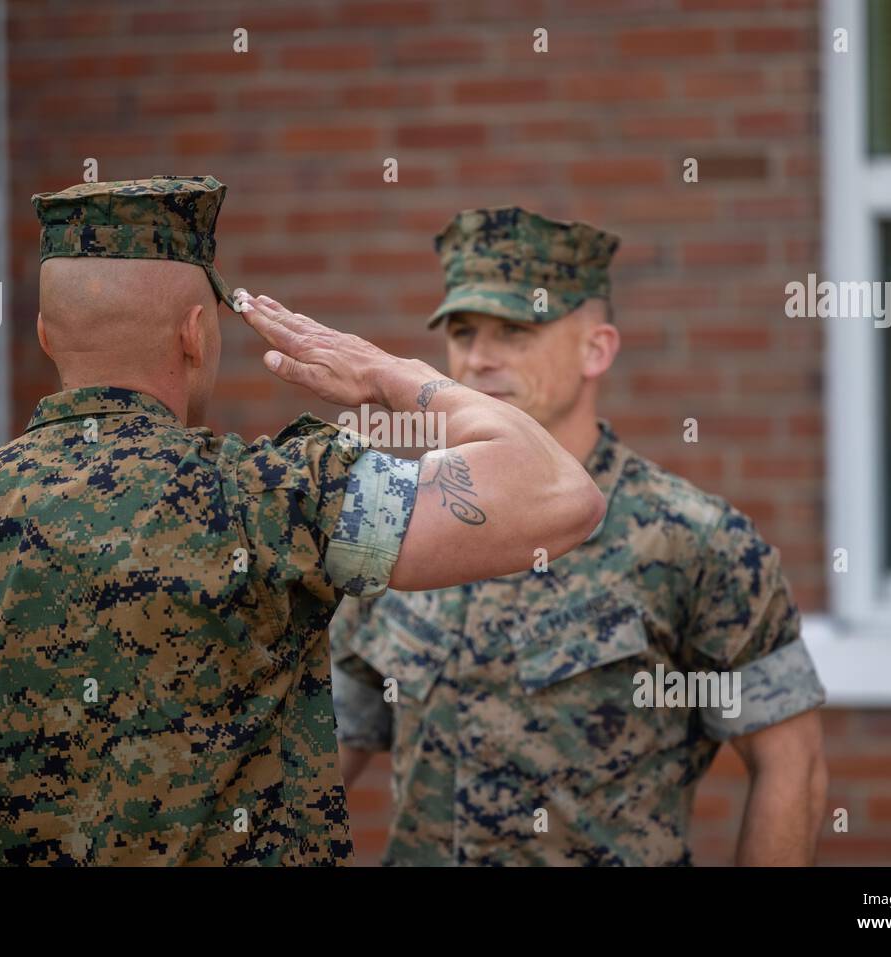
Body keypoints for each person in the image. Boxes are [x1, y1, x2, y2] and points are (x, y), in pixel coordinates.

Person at [0, 179, 604, 866]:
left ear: (47, 338)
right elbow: (559, 492)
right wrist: (395, 377)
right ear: (195, 333)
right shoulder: (273, 502)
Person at [331, 206, 829, 866]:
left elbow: (792, 764)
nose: (478, 358)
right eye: (463, 330)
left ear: (597, 349)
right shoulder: (401, 525)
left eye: (514, 329)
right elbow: (327, 748)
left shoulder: (692, 541)